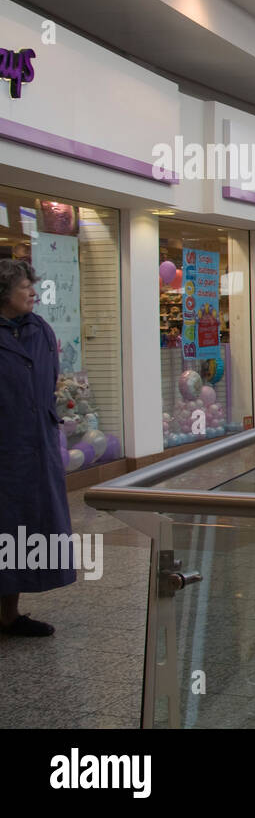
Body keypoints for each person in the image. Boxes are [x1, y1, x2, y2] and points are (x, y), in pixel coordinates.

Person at [0, 258, 77, 636]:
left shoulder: (39, 329)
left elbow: (49, 380)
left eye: (33, 284)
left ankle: (9, 614)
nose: (33, 292)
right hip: (6, 447)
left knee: (23, 532)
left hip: (36, 447)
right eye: (24, 287)